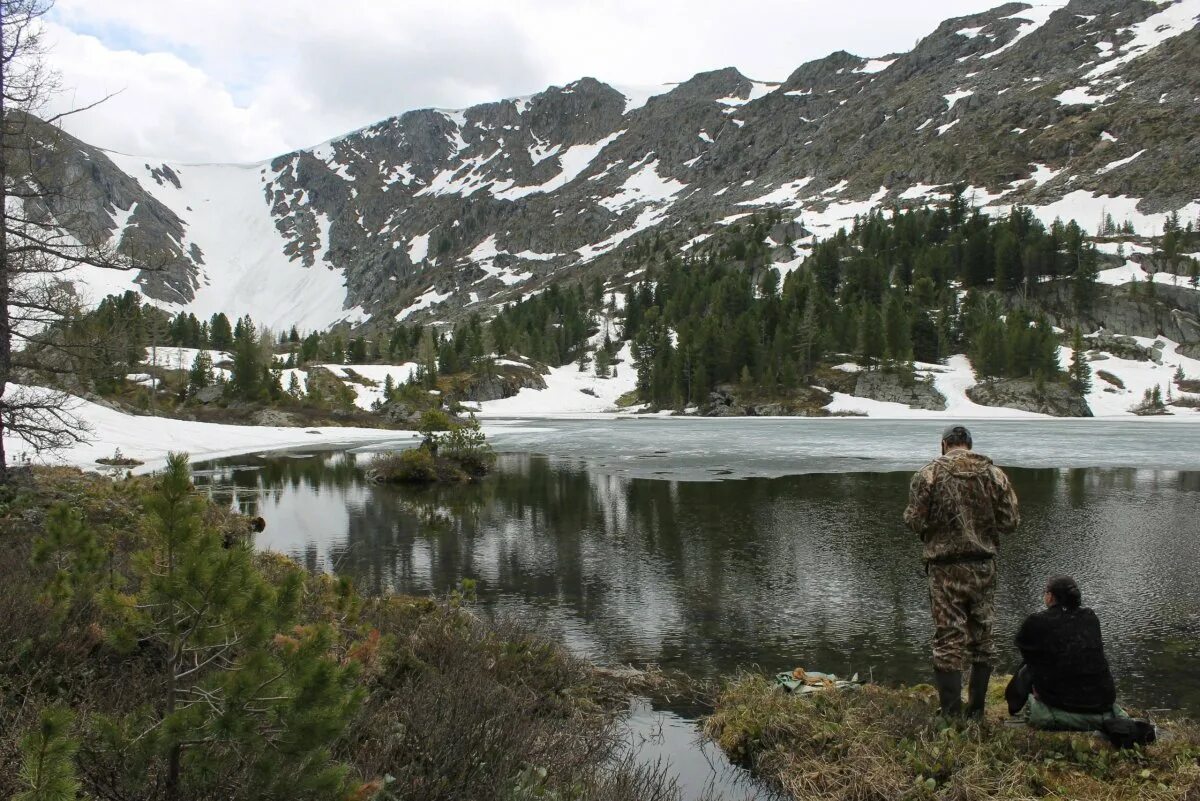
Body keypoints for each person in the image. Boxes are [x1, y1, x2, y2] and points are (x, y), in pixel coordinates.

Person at [904, 424, 1020, 717]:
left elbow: (914, 522)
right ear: (969, 444)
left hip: (944, 569)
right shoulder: (995, 475)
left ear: (944, 444)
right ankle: (977, 712)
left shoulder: (928, 474)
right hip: (983, 567)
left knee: (948, 639)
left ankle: (951, 716)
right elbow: (1010, 523)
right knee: (982, 638)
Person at [1005, 575, 1126, 730]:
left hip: (1062, 699)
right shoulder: (1090, 617)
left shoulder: (1036, 621)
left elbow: (1025, 650)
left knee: (1028, 665)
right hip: (1103, 699)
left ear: (1050, 596)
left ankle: (1014, 706)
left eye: (1045, 592)